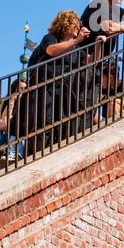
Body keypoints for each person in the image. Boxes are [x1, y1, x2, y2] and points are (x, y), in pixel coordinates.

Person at [26, 10, 88, 152]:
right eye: (75, 25)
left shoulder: (75, 47)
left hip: (64, 91)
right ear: (65, 25)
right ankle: (36, 155)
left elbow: (88, 60)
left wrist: (99, 43)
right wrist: (76, 40)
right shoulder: (51, 38)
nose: (78, 28)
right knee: (44, 125)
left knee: (64, 124)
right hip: (46, 88)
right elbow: (51, 51)